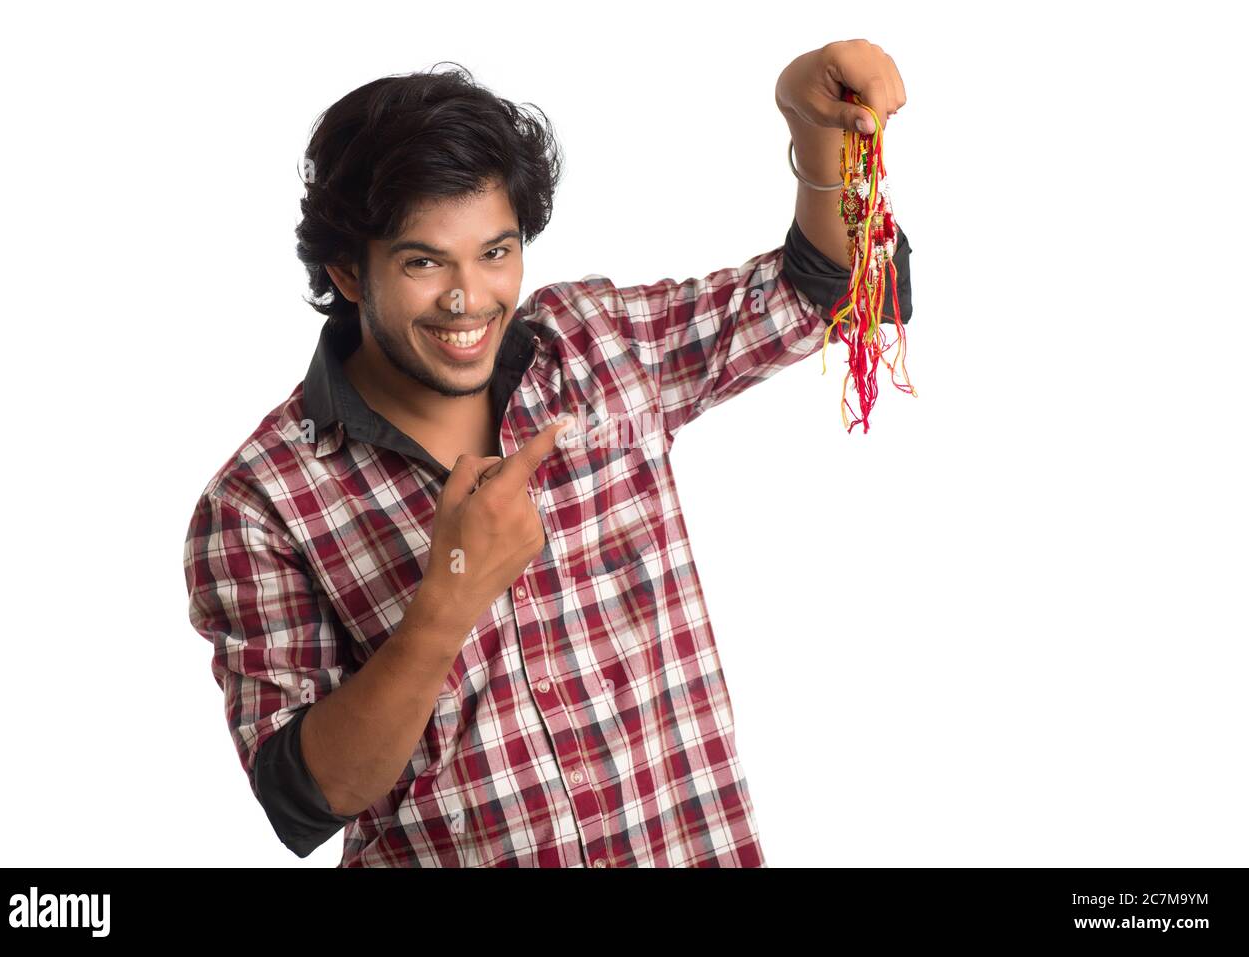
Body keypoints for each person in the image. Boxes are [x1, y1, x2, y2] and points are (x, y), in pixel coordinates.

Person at [182, 41, 913, 867]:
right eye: (424, 262)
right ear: (349, 272)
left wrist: (814, 136)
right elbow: (305, 796)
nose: (469, 299)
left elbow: (823, 289)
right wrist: (449, 600)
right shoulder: (261, 499)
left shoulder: (598, 347)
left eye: (495, 252)